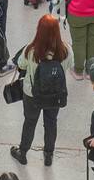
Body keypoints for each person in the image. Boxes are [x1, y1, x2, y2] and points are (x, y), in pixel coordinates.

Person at [8, 14, 71, 167]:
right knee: (51, 123)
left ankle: (22, 153)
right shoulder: (65, 50)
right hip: (55, 94)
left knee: (30, 122)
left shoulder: (31, 50)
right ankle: (48, 155)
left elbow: (21, 66)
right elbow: (68, 66)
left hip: (32, 94)